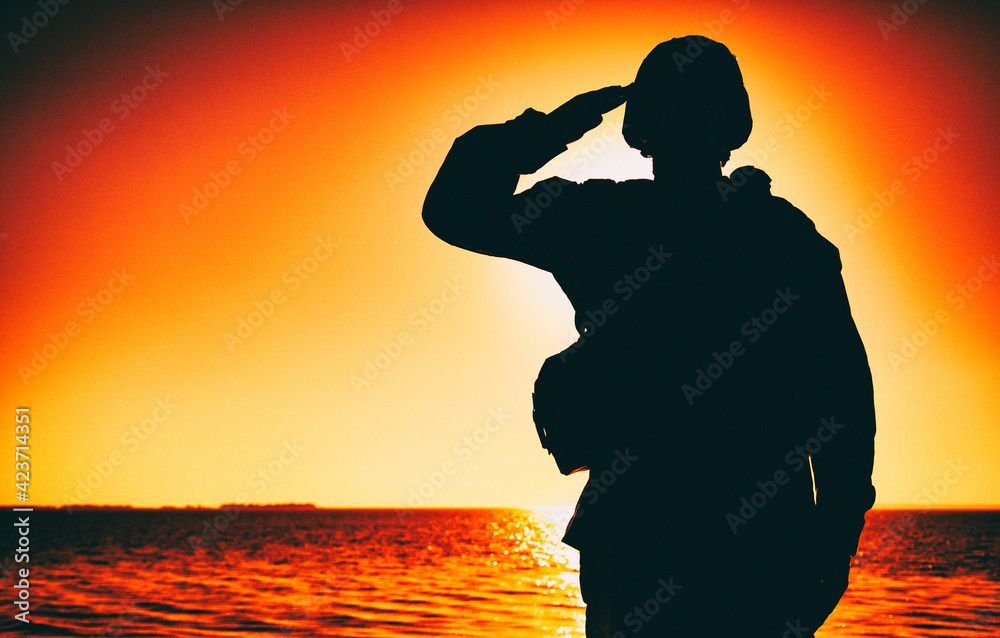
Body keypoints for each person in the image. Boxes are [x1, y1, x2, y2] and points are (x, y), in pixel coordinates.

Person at [423, 36, 876, 637]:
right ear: (734, 123)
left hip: (645, 538)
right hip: (754, 543)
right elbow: (843, 400)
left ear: (639, 125)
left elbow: (454, 210)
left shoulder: (596, 220)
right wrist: (835, 539)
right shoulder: (783, 238)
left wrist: (545, 132)